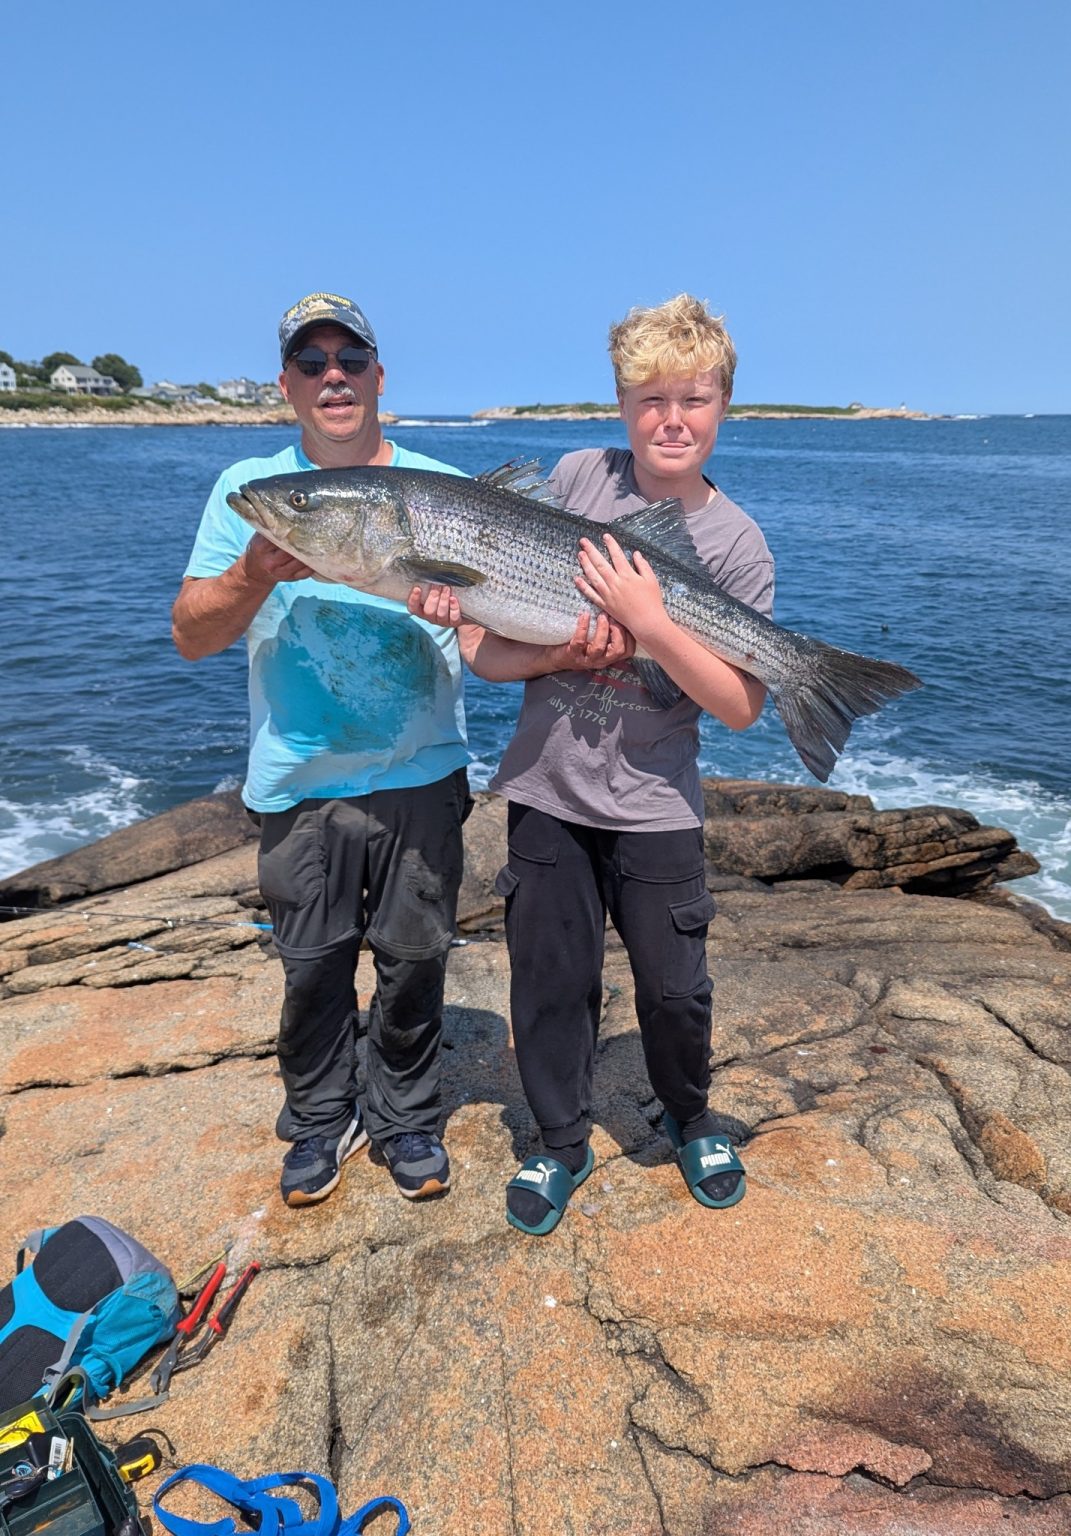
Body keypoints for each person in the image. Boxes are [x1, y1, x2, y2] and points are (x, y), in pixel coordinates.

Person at [412, 294, 774, 1235]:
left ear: (723, 405)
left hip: (656, 803)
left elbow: (739, 704)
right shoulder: (578, 477)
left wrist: (653, 624)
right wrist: (542, 646)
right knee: (547, 979)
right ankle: (560, 1139)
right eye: (650, 399)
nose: (671, 420)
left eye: (693, 399)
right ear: (620, 406)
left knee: (673, 985)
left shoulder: (737, 543)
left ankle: (691, 1118)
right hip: (546, 790)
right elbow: (491, 656)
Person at [173, 291, 470, 1209]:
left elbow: (497, 634)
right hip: (300, 781)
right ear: (288, 386)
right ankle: (315, 1117)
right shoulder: (251, 494)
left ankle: (406, 1112)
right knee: (311, 967)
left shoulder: (441, 489)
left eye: (349, 360)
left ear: (378, 377)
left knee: (415, 958)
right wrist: (249, 573)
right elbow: (191, 634)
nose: (332, 376)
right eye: (312, 363)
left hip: (423, 771)